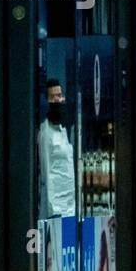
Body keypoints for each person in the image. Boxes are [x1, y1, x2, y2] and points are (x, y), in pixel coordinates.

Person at [38, 78, 76, 220]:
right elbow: (45, 173)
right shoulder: (45, 132)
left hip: (70, 205)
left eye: (59, 96)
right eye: (53, 97)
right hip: (55, 209)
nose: (57, 100)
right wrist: (50, 210)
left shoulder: (65, 129)